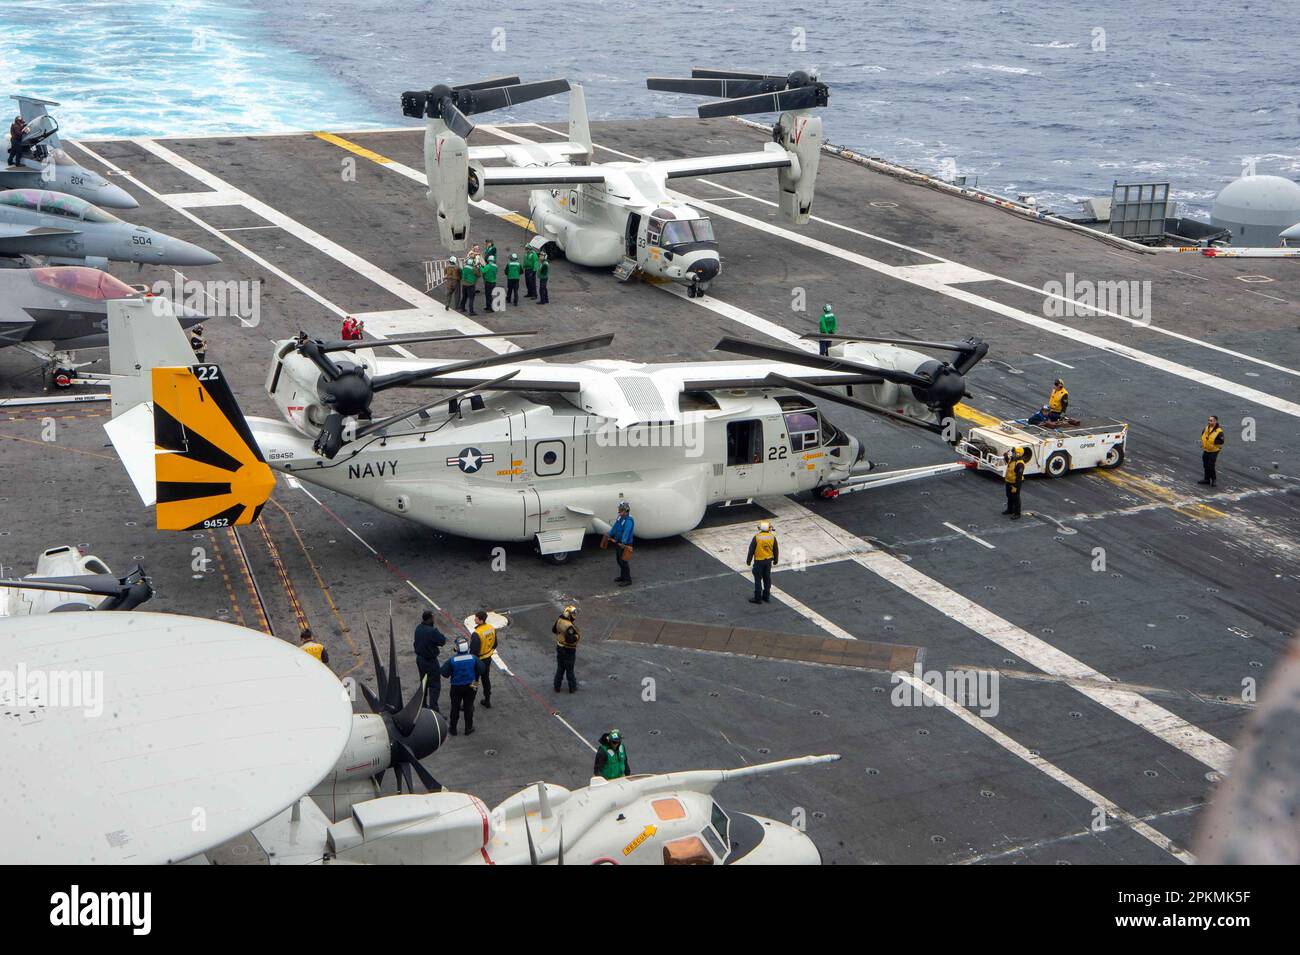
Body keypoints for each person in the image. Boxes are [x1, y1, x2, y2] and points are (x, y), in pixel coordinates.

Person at [440, 637, 478, 736]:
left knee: (455, 707)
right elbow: (481, 669)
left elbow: (444, 673)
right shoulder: (473, 658)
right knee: (469, 707)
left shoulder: (452, 660)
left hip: (456, 687)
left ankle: (453, 729)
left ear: (457, 648)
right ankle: (468, 728)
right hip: (471, 686)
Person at [414, 609, 447, 711]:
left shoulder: (418, 628)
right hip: (430, 661)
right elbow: (442, 641)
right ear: (430, 619)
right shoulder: (432, 631)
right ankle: (434, 709)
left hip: (420, 659)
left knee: (424, 682)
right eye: (433, 618)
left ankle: (422, 705)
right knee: (434, 685)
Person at [746, 520, 779, 603]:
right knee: (767, 578)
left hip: (759, 561)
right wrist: (776, 560)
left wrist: (749, 560)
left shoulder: (757, 537)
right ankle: (766, 596)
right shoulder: (772, 537)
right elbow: (775, 550)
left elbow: (751, 550)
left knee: (758, 579)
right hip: (768, 561)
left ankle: (757, 598)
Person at [472, 610, 497, 708]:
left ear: (481, 620)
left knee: (475, 681)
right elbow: (495, 644)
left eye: (476, 618)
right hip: (488, 659)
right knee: (486, 679)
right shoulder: (491, 628)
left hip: (478, 660)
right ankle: (487, 700)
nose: (474, 619)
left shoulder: (477, 633)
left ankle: (470, 703)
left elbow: (474, 651)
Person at [553, 604, 580, 694]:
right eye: (573, 614)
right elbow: (570, 640)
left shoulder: (559, 620)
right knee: (569, 670)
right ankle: (572, 687)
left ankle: (557, 686)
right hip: (569, 650)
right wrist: (577, 637)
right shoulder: (569, 626)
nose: (574, 616)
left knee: (560, 668)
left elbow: (554, 630)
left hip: (559, 647)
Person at [607, 501, 634, 585]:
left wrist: (623, 542)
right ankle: (623, 576)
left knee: (623, 561)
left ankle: (628, 580)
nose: (619, 511)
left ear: (626, 510)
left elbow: (626, 532)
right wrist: (610, 534)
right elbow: (615, 527)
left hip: (625, 544)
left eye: (621, 510)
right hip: (618, 542)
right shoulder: (620, 518)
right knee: (619, 560)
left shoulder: (629, 521)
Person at [1198, 415, 1225, 487]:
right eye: (1209, 420)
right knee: (1205, 464)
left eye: (1211, 420)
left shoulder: (1219, 431)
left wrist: (1212, 441)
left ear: (1215, 421)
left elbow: (1221, 441)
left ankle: (1214, 480)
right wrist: (1204, 443)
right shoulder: (1206, 428)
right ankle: (1206, 479)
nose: (1209, 422)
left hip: (1214, 450)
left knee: (1210, 465)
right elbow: (1203, 435)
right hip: (1206, 449)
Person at [1003, 446, 1028, 519]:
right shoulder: (1013, 460)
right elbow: (1009, 464)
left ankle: (1017, 513)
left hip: (1015, 483)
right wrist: (1005, 457)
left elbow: (1019, 477)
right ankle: (1010, 509)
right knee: (1009, 496)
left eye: (1014, 453)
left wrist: (1016, 486)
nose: (1012, 454)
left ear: (1018, 454)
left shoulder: (1020, 464)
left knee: (1016, 498)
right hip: (1009, 481)